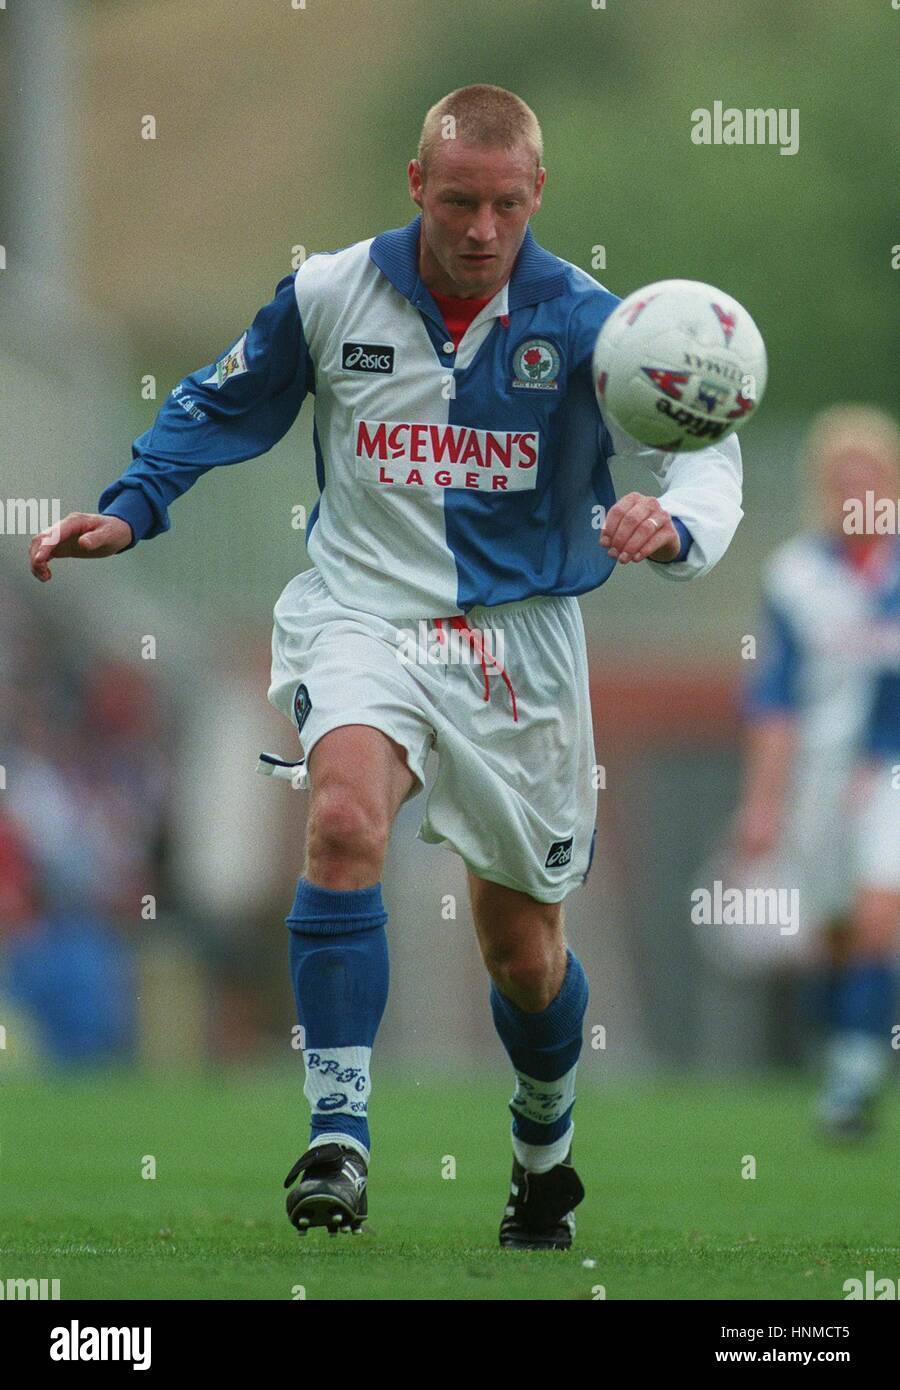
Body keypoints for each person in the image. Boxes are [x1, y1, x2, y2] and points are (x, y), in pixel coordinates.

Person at [29, 84, 743, 1247]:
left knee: (522, 953)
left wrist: (675, 527)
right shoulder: (329, 292)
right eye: (458, 200)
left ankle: (543, 1142)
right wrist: (130, 507)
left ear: (537, 197)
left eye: (505, 205)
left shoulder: (596, 321)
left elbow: (705, 450)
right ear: (417, 185)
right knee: (345, 818)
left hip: (521, 650)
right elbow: (219, 403)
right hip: (363, 615)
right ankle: (339, 1136)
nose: (479, 229)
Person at [735, 405, 899, 1138]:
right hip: (819, 775)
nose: (856, 490)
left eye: (870, 475)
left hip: (890, 771)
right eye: (842, 477)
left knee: (878, 910)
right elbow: (775, 700)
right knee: (831, 928)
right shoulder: (796, 574)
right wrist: (762, 804)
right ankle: (842, 1058)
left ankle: (856, 1080)